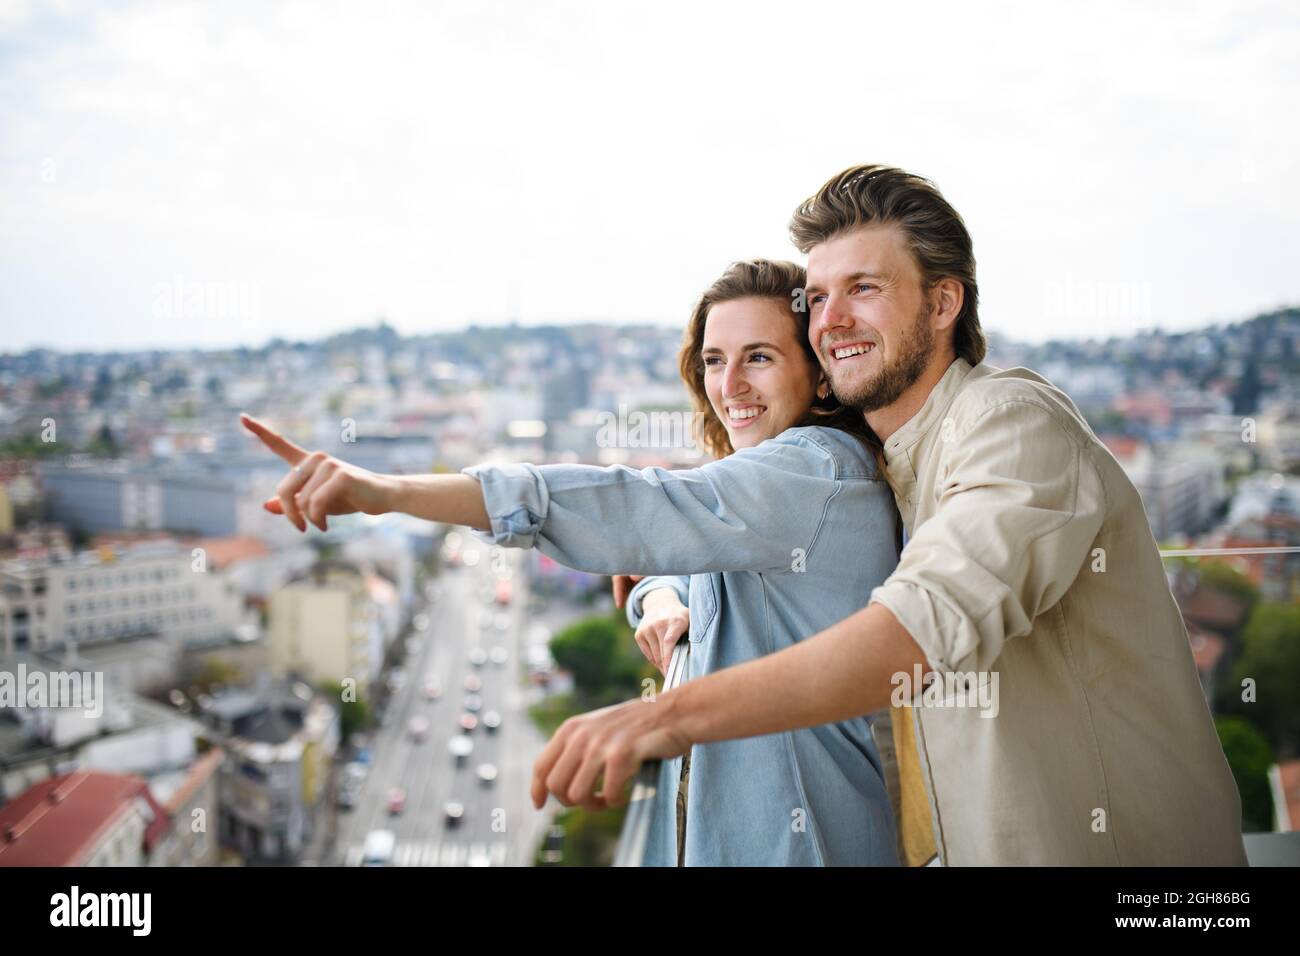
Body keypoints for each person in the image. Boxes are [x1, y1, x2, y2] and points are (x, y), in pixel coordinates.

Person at [530, 165, 1249, 866]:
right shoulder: (889, 467)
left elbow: (912, 633)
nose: (832, 319)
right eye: (818, 298)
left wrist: (661, 718)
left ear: (943, 305)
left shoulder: (1011, 425)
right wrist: (667, 581)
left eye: (864, 288)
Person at [240, 258, 904, 866]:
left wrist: (389, 492)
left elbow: (636, 507)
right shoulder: (768, 486)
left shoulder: (816, 468)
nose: (729, 385)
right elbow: (695, 562)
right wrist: (663, 597)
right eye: (713, 359)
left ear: (818, 372)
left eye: (757, 357)